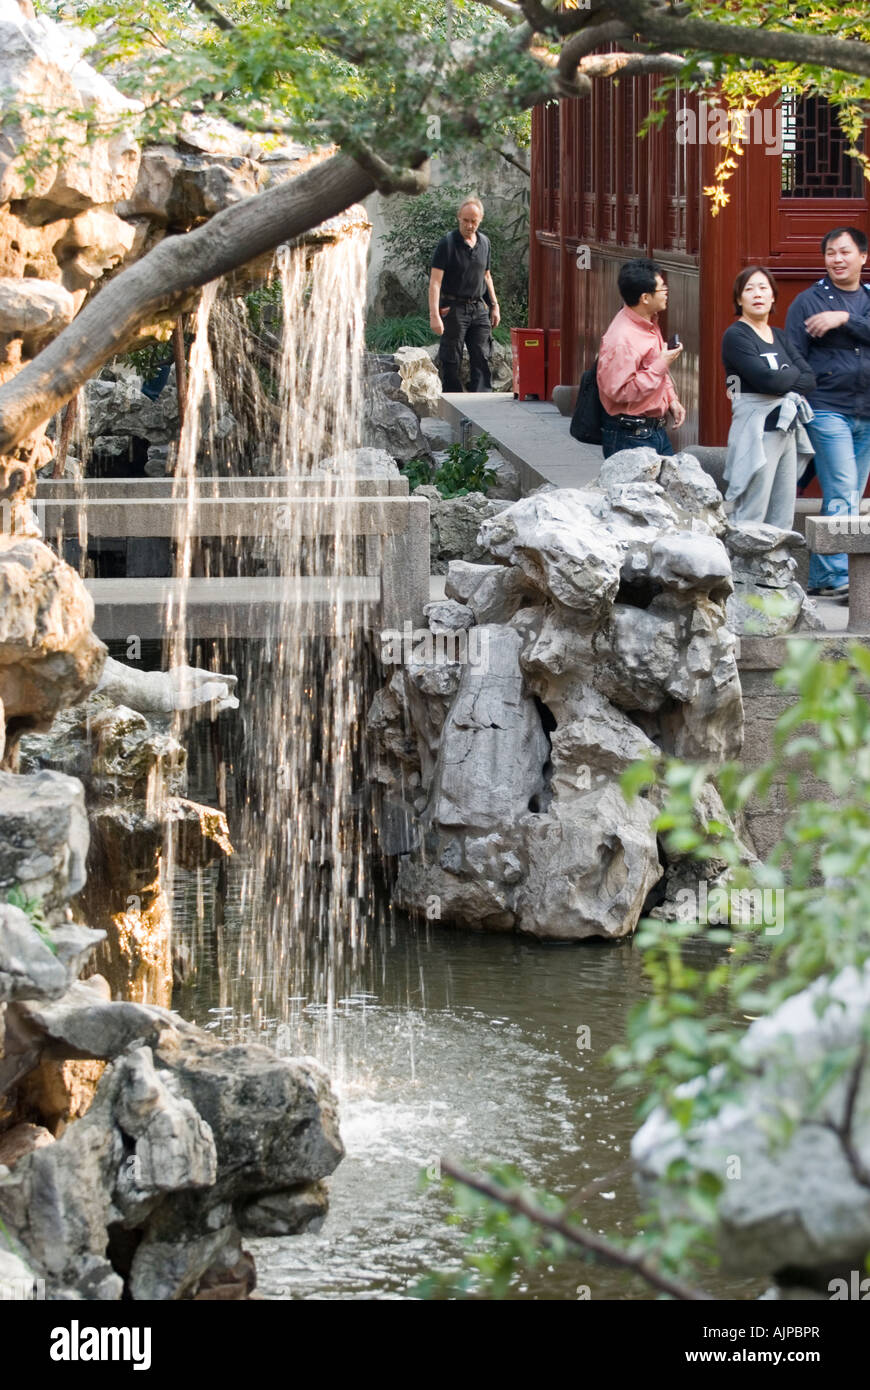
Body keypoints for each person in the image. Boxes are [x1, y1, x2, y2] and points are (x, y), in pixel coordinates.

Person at [785, 226, 870, 599]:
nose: (837, 259)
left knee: (852, 490)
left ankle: (823, 574)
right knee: (843, 487)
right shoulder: (808, 301)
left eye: (845, 252)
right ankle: (837, 574)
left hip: (866, 408)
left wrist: (843, 320)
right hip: (827, 407)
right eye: (831, 252)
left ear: (863, 257)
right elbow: (793, 351)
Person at [722, 266, 816, 530]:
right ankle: (744, 569)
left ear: (773, 296)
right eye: (749, 289)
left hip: (785, 428)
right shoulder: (736, 335)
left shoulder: (780, 336)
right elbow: (767, 380)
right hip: (756, 427)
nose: (757, 294)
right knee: (753, 508)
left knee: (783, 508)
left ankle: (778, 566)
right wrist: (788, 375)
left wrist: (782, 379)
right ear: (739, 299)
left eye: (763, 288)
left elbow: (810, 379)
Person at [596, 258, 686, 458]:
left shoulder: (648, 322)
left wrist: (671, 399)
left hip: (653, 430)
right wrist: (663, 364)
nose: (666, 292)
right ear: (645, 297)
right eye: (662, 288)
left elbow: (653, 365)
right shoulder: (622, 339)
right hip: (630, 435)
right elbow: (620, 392)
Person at [429, 197, 500, 393]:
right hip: (453, 308)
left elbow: (486, 276)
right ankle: (454, 400)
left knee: (482, 355)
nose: (469, 225)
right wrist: (434, 315)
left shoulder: (484, 242)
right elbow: (435, 282)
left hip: (478, 308)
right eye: (466, 220)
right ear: (458, 217)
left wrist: (494, 305)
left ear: (481, 220)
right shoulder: (448, 244)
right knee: (451, 358)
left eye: (474, 221)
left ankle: (481, 401)